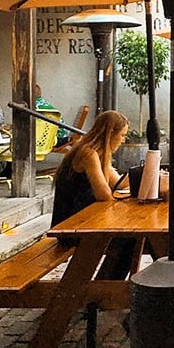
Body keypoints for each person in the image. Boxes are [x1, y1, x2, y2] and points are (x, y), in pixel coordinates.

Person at [51, 110, 132, 279]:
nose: (123, 140)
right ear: (110, 134)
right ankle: (103, 290)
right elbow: (105, 195)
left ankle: (104, 287)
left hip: (83, 220)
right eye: (122, 135)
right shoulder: (88, 153)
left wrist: (147, 173)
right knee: (128, 239)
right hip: (69, 227)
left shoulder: (97, 152)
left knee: (130, 238)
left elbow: (117, 181)